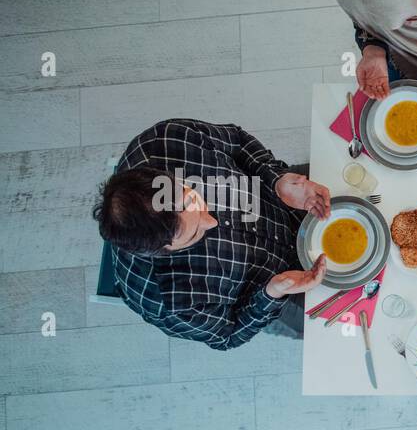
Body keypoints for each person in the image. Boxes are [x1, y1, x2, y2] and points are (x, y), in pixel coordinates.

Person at [93, 119, 330, 349]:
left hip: (285, 198)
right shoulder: (167, 303)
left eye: (192, 197)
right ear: (163, 251)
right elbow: (228, 336)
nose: (211, 220)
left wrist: (276, 179)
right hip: (286, 291)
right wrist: (273, 293)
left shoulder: (165, 140)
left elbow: (237, 141)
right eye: (194, 232)